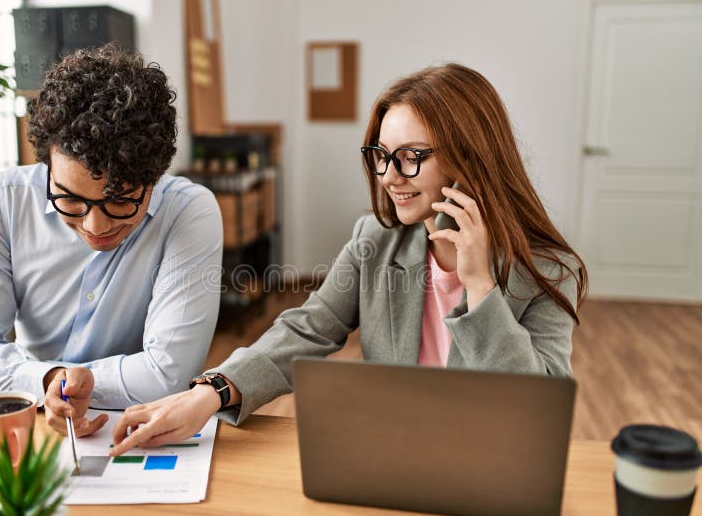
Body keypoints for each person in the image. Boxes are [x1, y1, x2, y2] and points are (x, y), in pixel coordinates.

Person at [108, 63, 588, 455]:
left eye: (411, 156)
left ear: (471, 157)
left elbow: (540, 413)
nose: (389, 176)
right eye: (381, 155)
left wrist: (481, 287)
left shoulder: (547, 271)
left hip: (489, 464)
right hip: (391, 456)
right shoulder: (376, 240)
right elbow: (307, 327)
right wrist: (209, 391)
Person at [0, 44, 223, 438]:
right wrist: (48, 379)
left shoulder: (189, 212)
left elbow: (168, 374)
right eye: (70, 198)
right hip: (33, 421)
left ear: (154, 179)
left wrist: (51, 380)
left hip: (132, 428)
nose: (95, 224)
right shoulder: (6, 200)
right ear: (47, 165)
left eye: (120, 201)